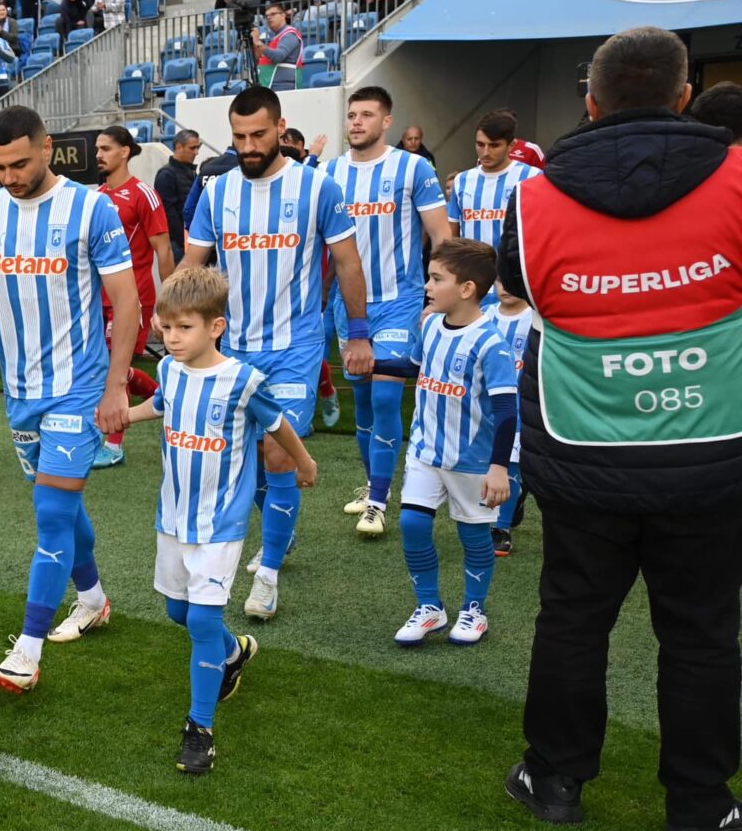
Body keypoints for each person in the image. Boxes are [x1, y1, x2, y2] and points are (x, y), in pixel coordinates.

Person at [500, 25, 742, 831]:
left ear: (591, 102)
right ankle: (699, 808)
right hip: (710, 451)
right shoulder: (738, 177)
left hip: (585, 447)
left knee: (573, 616)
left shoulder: (531, 197)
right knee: (703, 630)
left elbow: (523, 287)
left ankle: (557, 778)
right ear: (683, 96)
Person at [0, 106, 140, 692]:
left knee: (50, 517)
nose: (10, 176)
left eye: (20, 163)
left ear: (46, 148)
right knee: (61, 509)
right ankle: (92, 598)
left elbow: (127, 300)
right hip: (20, 393)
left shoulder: (92, 208)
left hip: (80, 387)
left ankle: (28, 650)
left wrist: (117, 385)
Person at [179, 86, 371, 621]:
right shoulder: (217, 193)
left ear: (280, 127)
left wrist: (358, 333)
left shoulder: (317, 187)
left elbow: (349, 265)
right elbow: (193, 268)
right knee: (252, 464)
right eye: (239, 136)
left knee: (278, 452)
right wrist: (173, 324)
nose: (249, 145)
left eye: (259, 134)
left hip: (296, 346)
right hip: (234, 348)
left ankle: (267, 576)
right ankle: (281, 534)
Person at [125, 266, 317, 772]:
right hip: (174, 517)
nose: (172, 338)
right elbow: (161, 404)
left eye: (183, 327)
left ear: (216, 327)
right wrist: (125, 414)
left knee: (204, 620)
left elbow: (278, 424)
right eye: (166, 328)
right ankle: (234, 654)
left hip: (222, 524)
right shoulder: (169, 370)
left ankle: (200, 729)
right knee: (178, 614)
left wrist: (304, 462)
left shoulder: (243, 381)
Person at [325, 86, 451, 538]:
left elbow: (442, 237)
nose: (356, 122)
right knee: (362, 400)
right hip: (348, 304)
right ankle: (374, 483)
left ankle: (378, 502)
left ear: (387, 121)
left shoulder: (414, 167)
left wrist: (437, 301)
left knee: (384, 397)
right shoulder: (331, 173)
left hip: (399, 302)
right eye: (352, 115)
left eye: (367, 115)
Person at [392, 238, 516, 649]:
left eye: (435, 278)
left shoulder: (490, 343)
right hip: (426, 451)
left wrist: (499, 468)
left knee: (473, 537)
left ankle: (474, 609)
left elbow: (507, 412)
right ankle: (430, 607)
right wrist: (370, 361)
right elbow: (413, 367)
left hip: (472, 461)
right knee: (412, 523)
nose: (427, 286)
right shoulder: (428, 324)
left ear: (466, 288)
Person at [94, 125, 173, 468]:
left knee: (117, 366)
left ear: (125, 151)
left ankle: (114, 444)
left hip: (133, 298)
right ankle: (168, 399)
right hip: (98, 299)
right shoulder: (96, 196)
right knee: (109, 369)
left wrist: (172, 305)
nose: (99, 154)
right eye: (97, 148)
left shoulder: (144, 194)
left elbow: (164, 250)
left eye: (106, 148)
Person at [448, 108, 540, 303]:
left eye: (494, 145)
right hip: (472, 290)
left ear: (512, 145)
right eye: (480, 144)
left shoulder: (532, 179)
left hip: (515, 290)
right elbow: (452, 238)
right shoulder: (462, 181)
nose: (486, 152)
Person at [485, 283, 531, 558]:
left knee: (509, 462)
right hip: (484, 407)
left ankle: (501, 528)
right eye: (501, 279)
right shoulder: (484, 316)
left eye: (512, 279)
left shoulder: (536, 320)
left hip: (521, 406)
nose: (506, 287)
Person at [154, 129, 201, 262]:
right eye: (192, 148)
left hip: (191, 241)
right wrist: (185, 241)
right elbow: (168, 214)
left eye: (198, 147)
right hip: (180, 245)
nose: (196, 152)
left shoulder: (191, 173)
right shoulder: (166, 175)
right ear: (179, 147)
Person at [251, 2, 302, 91]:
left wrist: (258, 42)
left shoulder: (290, 34)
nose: (269, 18)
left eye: (273, 14)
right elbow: (260, 58)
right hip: (272, 85)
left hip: (283, 86)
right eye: (267, 16)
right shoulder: (277, 37)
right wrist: (255, 45)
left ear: (283, 16)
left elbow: (279, 56)